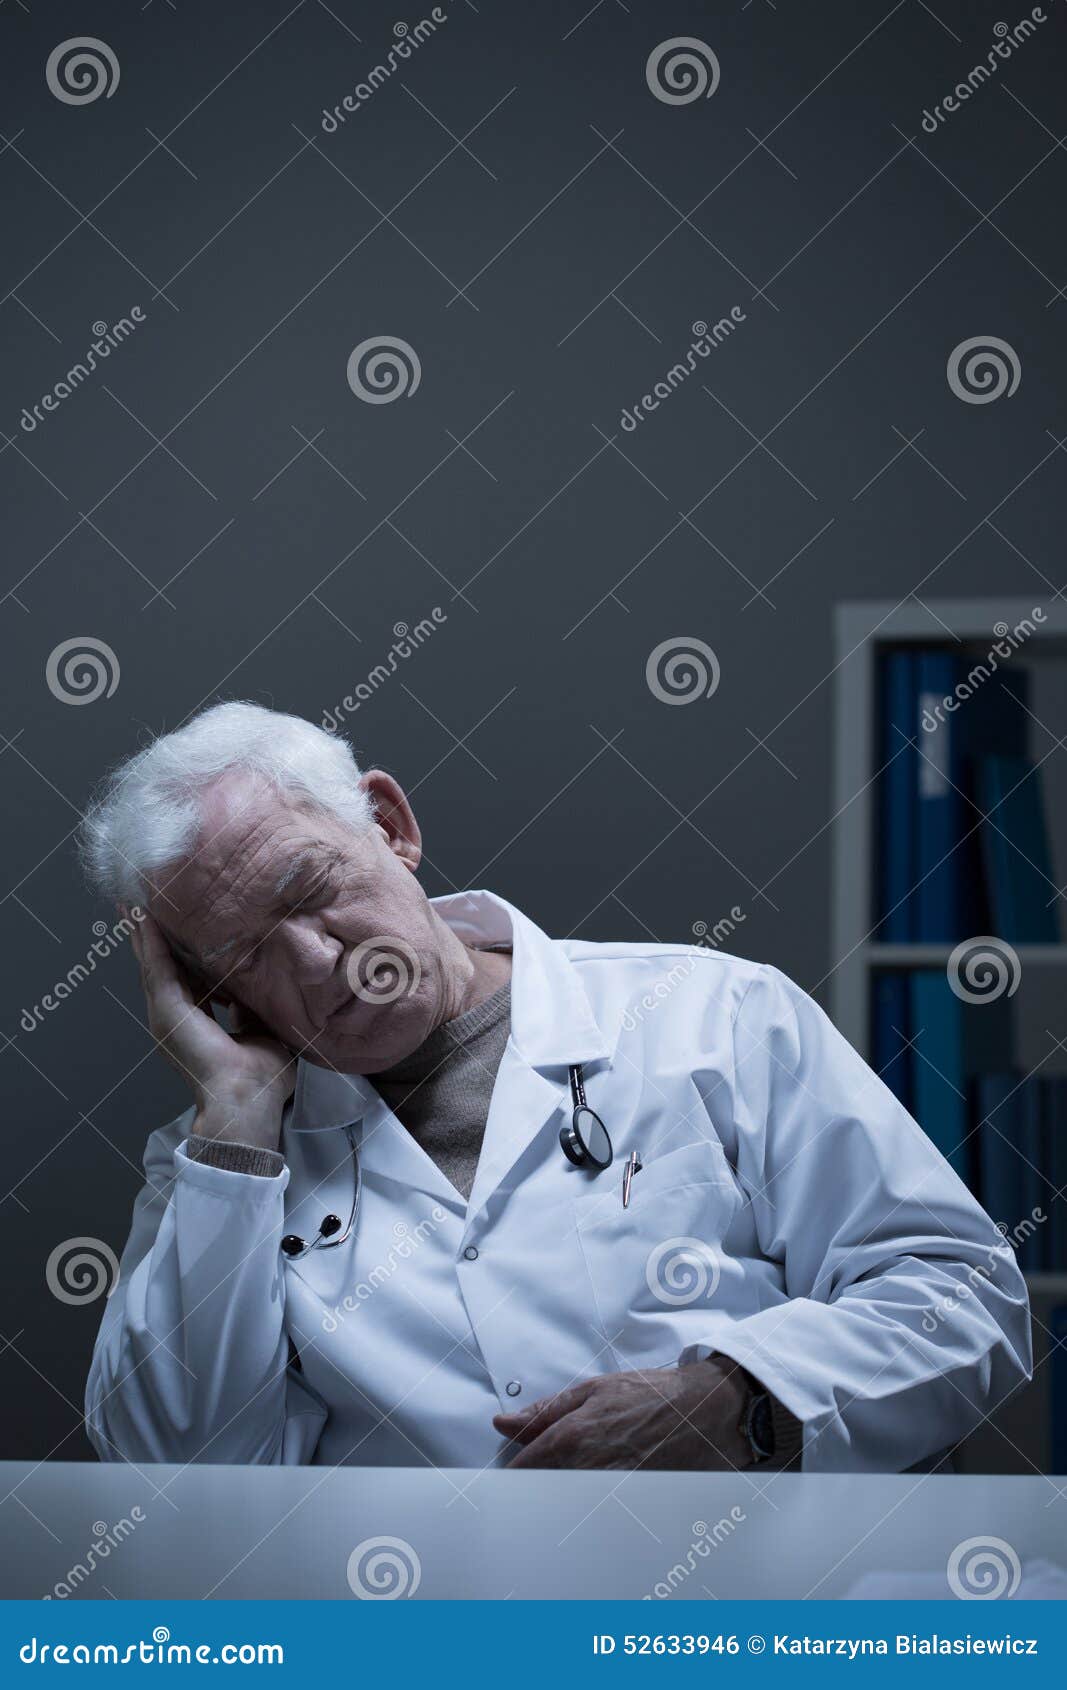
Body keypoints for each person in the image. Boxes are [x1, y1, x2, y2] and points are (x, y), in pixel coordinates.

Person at [82, 702, 1030, 1472]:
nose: (319, 961)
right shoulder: (223, 1163)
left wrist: (738, 1402)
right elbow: (178, 1477)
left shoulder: (711, 1012)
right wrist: (239, 1128)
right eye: (245, 951)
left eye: (307, 888)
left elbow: (962, 1300)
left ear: (390, 825)